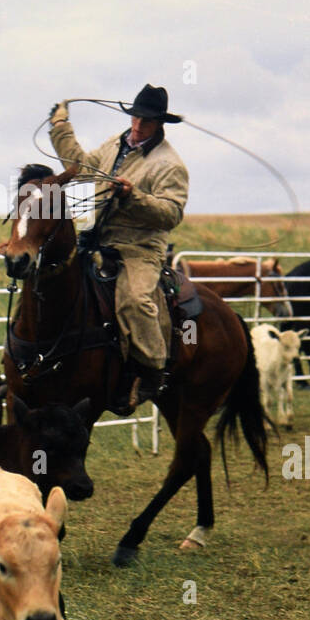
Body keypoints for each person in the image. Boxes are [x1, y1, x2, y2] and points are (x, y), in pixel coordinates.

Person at [49, 84, 189, 410]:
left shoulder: (170, 164)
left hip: (139, 248)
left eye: (147, 122)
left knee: (135, 301)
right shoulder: (115, 144)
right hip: (97, 240)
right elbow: (82, 167)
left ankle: (154, 370)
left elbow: (171, 214)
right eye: (136, 119)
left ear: (160, 124)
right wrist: (61, 128)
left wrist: (132, 197)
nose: (138, 126)